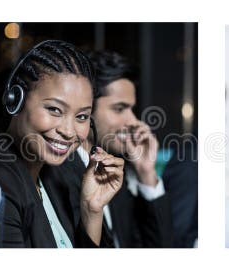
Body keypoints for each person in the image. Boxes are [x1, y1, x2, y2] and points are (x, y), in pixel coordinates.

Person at [0, 40, 124, 248]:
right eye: (54, 110)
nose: (69, 131)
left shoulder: (55, 178)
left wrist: (91, 210)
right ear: (15, 99)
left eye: (81, 116)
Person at [56, 50, 173, 248]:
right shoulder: (57, 175)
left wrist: (146, 173)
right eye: (119, 109)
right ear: (85, 108)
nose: (133, 120)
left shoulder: (116, 168)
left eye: (132, 109)